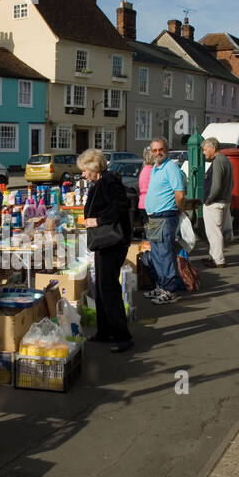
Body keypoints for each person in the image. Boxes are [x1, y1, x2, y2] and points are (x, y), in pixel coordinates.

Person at [79, 149, 133, 353]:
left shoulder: (109, 180)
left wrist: (98, 220)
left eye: (85, 170)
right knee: (101, 286)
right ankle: (105, 331)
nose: (83, 174)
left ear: (94, 168)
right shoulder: (101, 182)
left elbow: (120, 206)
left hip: (112, 242)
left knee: (108, 288)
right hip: (104, 242)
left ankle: (122, 335)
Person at [142, 137, 186, 305]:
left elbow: (180, 193)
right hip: (154, 216)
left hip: (166, 216)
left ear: (166, 150)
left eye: (160, 149)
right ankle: (161, 286)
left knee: (165, 254)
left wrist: (179, 209)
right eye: (154, 150)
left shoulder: (171, 167)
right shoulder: (155, 167)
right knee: (156, 254)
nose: (158, 153)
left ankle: (171, 290)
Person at [201, 138, 232, 268]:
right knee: (216, 231)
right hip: (224, 201)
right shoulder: (225, 160)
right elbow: (231, 182)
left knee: (214, 233)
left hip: (215, 203)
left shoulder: (218, 161)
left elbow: (217, 185)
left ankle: (218, 260)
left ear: (213, 148)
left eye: (205, 149)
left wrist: (208, 200)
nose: (203, 152)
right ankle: (212, 256)